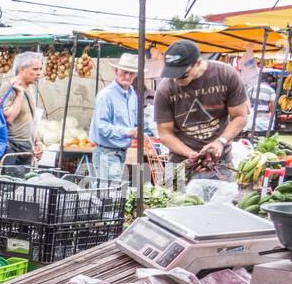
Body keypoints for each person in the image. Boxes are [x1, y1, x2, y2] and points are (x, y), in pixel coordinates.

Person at [154, 40, 249, 170]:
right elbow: (165, 133)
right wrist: (192, 156)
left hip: (219, 160)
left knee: (223, 191)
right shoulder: (165, 89)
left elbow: (240, 116)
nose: (175, 80)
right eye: (172, 75)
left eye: (182, 75)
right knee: (172, 190)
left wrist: (220, 142)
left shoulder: (226, 75)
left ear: (198, 63)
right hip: (180, 161)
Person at [89, 52, 151, 185]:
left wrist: (142, 130)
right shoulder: (106, 95)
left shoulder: (132, 95)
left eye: (131, 73)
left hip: (121, 152)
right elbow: (102, 127)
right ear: (116, 71)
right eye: (124, 72)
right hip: (106, 153)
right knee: (107, 194)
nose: (127, 76)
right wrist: (128, 132)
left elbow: (136, 122)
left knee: (112, 192)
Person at [0, 51, 44, 175]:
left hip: (26, 147)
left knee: (22, 188)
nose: (39, 72)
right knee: (7, 185)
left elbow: (32, 119)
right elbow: (9, 118)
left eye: (40, 68)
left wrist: (37, 141)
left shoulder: (30, 89)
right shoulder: (8, 88)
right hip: (10, 147)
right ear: (22, 69)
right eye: (35, 69)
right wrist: (19, 94)